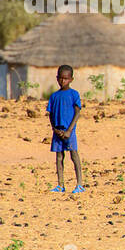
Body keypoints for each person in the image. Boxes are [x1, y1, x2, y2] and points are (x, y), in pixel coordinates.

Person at [47, 64, 84, 193]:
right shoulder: (54, 96)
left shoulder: (74, 94)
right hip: (57, 131)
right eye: (61, 78)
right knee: (59, 157)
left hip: (69, 131)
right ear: (57, 78)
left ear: (71, 79)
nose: (63, 81)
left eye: (66, 78)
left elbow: (77, 112)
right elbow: (50, 114)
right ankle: (60, 184)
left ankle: (79, 184)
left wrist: (69, 130)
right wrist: (54, 129)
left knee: (74, 155)